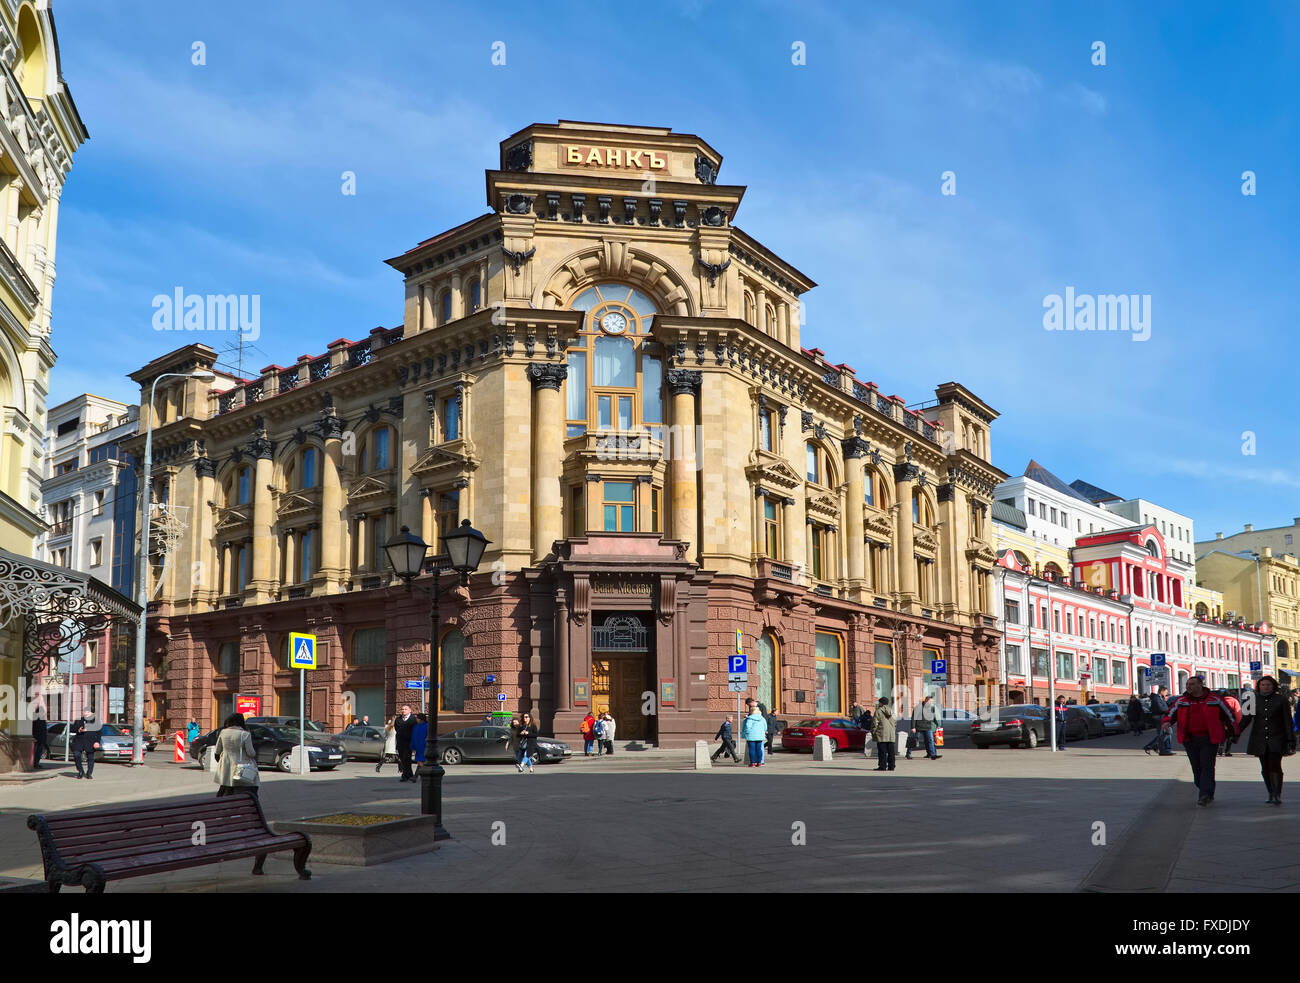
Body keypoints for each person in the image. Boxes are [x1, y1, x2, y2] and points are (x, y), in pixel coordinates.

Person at [1162, 675, 1239, 806]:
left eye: (1192, 684)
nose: (1188, 686)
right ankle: (1206, 789)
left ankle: (1204, 795)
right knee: (1196, 768)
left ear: (1200, 685)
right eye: (1187, 684)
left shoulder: (1215, 700)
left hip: (1209, 739)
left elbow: (1230, 715)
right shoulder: (1181, 701)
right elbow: (1170, 713)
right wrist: (1167, 722)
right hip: (1190, 739)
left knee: (1207, 766)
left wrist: (1234, 733)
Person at [213, 712, 271, 874]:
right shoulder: (245, 735)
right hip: (241, 769)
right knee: (250, 793)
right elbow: (251, 753)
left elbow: (217, 751)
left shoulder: (223, 733)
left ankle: (221, 816)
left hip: (225, 768)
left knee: (225, 791)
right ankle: (249, 818)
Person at [1240, 675, 1296, 804]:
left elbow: (1288, 721)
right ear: (1259, 686)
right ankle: (1270, 792)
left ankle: (1277, 793)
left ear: (1273, 686)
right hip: (1259, 738)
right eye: (1263, 685)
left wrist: (1291, 739)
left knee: (1275, 766)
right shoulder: (1252, 699)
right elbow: (1246, 719)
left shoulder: (1281, 700)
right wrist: (1235, 733)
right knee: (1265, 767)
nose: (1265, 687)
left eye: (1268, 685)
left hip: (1277, 738)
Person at [71, 710, 100, 779]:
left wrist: (97, 742)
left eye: (88, 712)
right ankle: (80, 771)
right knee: (76, 755)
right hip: (79, 741)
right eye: (85, 712)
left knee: (90, 758)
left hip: (90, 742)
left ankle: (89, 773)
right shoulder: (79, 720)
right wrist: (79, 730)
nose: (86, 713)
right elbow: (72, 729)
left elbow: (99, 733)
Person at [1144, 687, 1174, 755]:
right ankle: (1152, 746)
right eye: (1166, 692)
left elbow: (1165, 707)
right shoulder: (1156, 698)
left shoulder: (1161, 698)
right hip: (1159, 718)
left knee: (1164, 733)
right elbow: (1160, 708)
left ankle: (1161, 748)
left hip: (1162, 717)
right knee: (1167, 732)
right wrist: (1168, 710)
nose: (1166, 693)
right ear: (1161, 691)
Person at [393, 704, 418, 782]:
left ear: (410, 710)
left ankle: (405, 775)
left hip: (409, 742)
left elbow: (415, 731)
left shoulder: (413, 719)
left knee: (406, 758)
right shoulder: (398, 719)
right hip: (400, 742)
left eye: (405, 709)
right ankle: (409, 774)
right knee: (403, 759)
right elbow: (396, 728)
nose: (403, 710)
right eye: (402, 709)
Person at [871, 697, 897, 771]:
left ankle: (882, 766)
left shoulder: (878, 711)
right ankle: (891, 766)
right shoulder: (892, 711)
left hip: (881, 734)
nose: (878, 704)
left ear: (881, 703)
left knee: (882, 752)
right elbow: (895, 722)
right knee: (891, 752)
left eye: (879, 702)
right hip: (891, 735)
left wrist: (874, 732)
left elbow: (875, 723)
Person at [1216, 689, 1242, 757]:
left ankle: (1220, 748)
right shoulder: (1234, 701)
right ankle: (1227, 751)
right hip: (1231, 721)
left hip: (1221, 721)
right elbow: (1237, 712)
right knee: (1230, 736)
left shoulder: (1220, 700)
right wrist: (1238, 722)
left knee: (1222, 735)